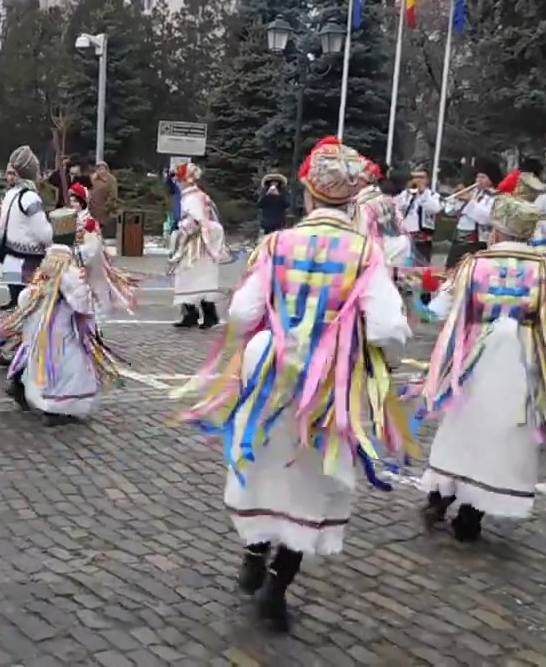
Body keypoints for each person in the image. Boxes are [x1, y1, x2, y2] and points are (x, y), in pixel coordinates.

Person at [179, 137, 412, 633]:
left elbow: (243, 311)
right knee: (311, 476)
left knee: (262, 461)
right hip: (330, 381)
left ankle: (252, 551)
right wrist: (379, 362)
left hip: (271, 368)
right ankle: (277, 587)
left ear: (306, 192)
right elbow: (389, 328)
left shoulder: (276, 244)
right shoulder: (364, 252)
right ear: (351, 199)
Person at [418, 195, 546, 542]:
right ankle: (472, 515)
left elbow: (439, 310)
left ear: (498, 232)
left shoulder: (473, 266)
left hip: (473, 362)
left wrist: (425, 297)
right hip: (525, 362)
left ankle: (439, 499)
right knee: (505, 435)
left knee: (461, 428)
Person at [0, 243, 120, 426]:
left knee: (44, 368)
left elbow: (24, 302)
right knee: (70, 370)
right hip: (63, 338)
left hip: (41, 339)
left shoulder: (40, 283)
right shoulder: (68, 279)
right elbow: (83, 305)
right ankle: (57, 409)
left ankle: (36, 397)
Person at [167, 164, 226, 329]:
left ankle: (203, 314)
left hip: (196, 245)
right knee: (196, 278)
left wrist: (181, 230)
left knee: (191, 277)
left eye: (179, 179)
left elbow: (196, 220)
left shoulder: (192, 198)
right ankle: (194, 313)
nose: (177, 182)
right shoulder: (198, 195)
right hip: (201, 243)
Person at [67, 183, 137, 320]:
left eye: (75, 201)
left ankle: (96, 312)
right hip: (77, 259)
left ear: (82, 202)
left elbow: (94, 245)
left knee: (95, 287)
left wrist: (80, 256)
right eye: (71, 201)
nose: (72, 204)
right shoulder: (73, 218)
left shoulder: (89, 222)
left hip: (88, 261)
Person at [0, 146, 53, 311]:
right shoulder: (29, 197)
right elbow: (41, 229)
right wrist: (50, 239)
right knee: (26, 295)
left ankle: (13, 302)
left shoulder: (10, 194)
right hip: (27, 253)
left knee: (14, 289)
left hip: (9, 249)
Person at [443, 159, 501, 268]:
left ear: (491, 179)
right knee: (451, 272)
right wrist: (457, 199)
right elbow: (450, 212)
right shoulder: (472, 193)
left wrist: (470, 202)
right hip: (459, 241)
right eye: (478, 177)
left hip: (478, 243)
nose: (478, 180)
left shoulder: (496, 197)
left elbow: (487, 218)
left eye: (483, 177)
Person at [394, 167, 441, 266]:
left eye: (421, 177)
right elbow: (396, 207)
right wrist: (408, 194)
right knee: (404, 266)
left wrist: (422, 193)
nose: (418, 180)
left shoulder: (433, 195)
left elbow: (436, 208)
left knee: (421, 268)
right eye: (415, 177)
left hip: (422, 239)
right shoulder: (405, 194)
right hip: (406, 238)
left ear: (427, 180)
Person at [88, 161, 118, 239]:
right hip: (92, 208)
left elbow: (113, 195)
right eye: (98, 169)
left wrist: (107, 207)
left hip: (104, 209)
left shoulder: (111, 180)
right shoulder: (92, 178)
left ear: (106, 169)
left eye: (102, 169)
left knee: (101, 230)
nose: (100, 171)